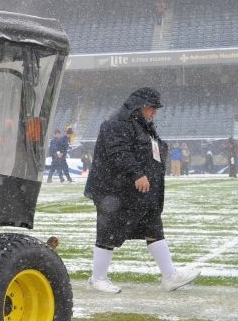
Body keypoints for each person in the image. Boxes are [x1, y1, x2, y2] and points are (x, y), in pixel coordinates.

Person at [84, 87, 198, 293]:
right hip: (114, 190)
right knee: (109, 231)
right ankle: (98, 278)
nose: (154, 113)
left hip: (138, 192)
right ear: (140, 106)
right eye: (151, 108)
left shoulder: (142, 125)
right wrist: (137, 173)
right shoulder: (116, 124)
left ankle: (169, 276)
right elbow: (118, 153)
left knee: (153, 228)